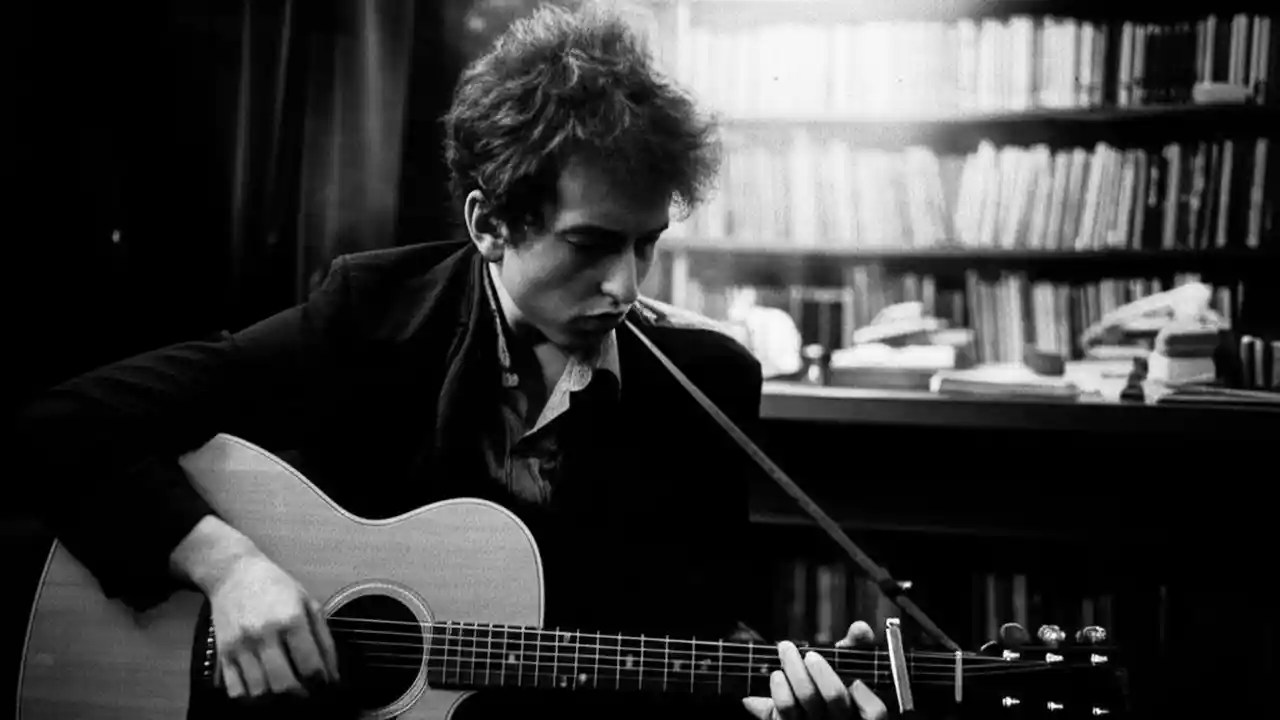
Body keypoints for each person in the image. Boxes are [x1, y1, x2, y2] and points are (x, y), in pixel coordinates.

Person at [16, 3, 888, 719]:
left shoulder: (711, 386)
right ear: (488, 224)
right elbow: (62, 425)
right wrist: (230, 567)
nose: (625, 286)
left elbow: (685, 638)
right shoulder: (370, 314)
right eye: (590, 245)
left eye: (647, 244)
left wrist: (773, 700)